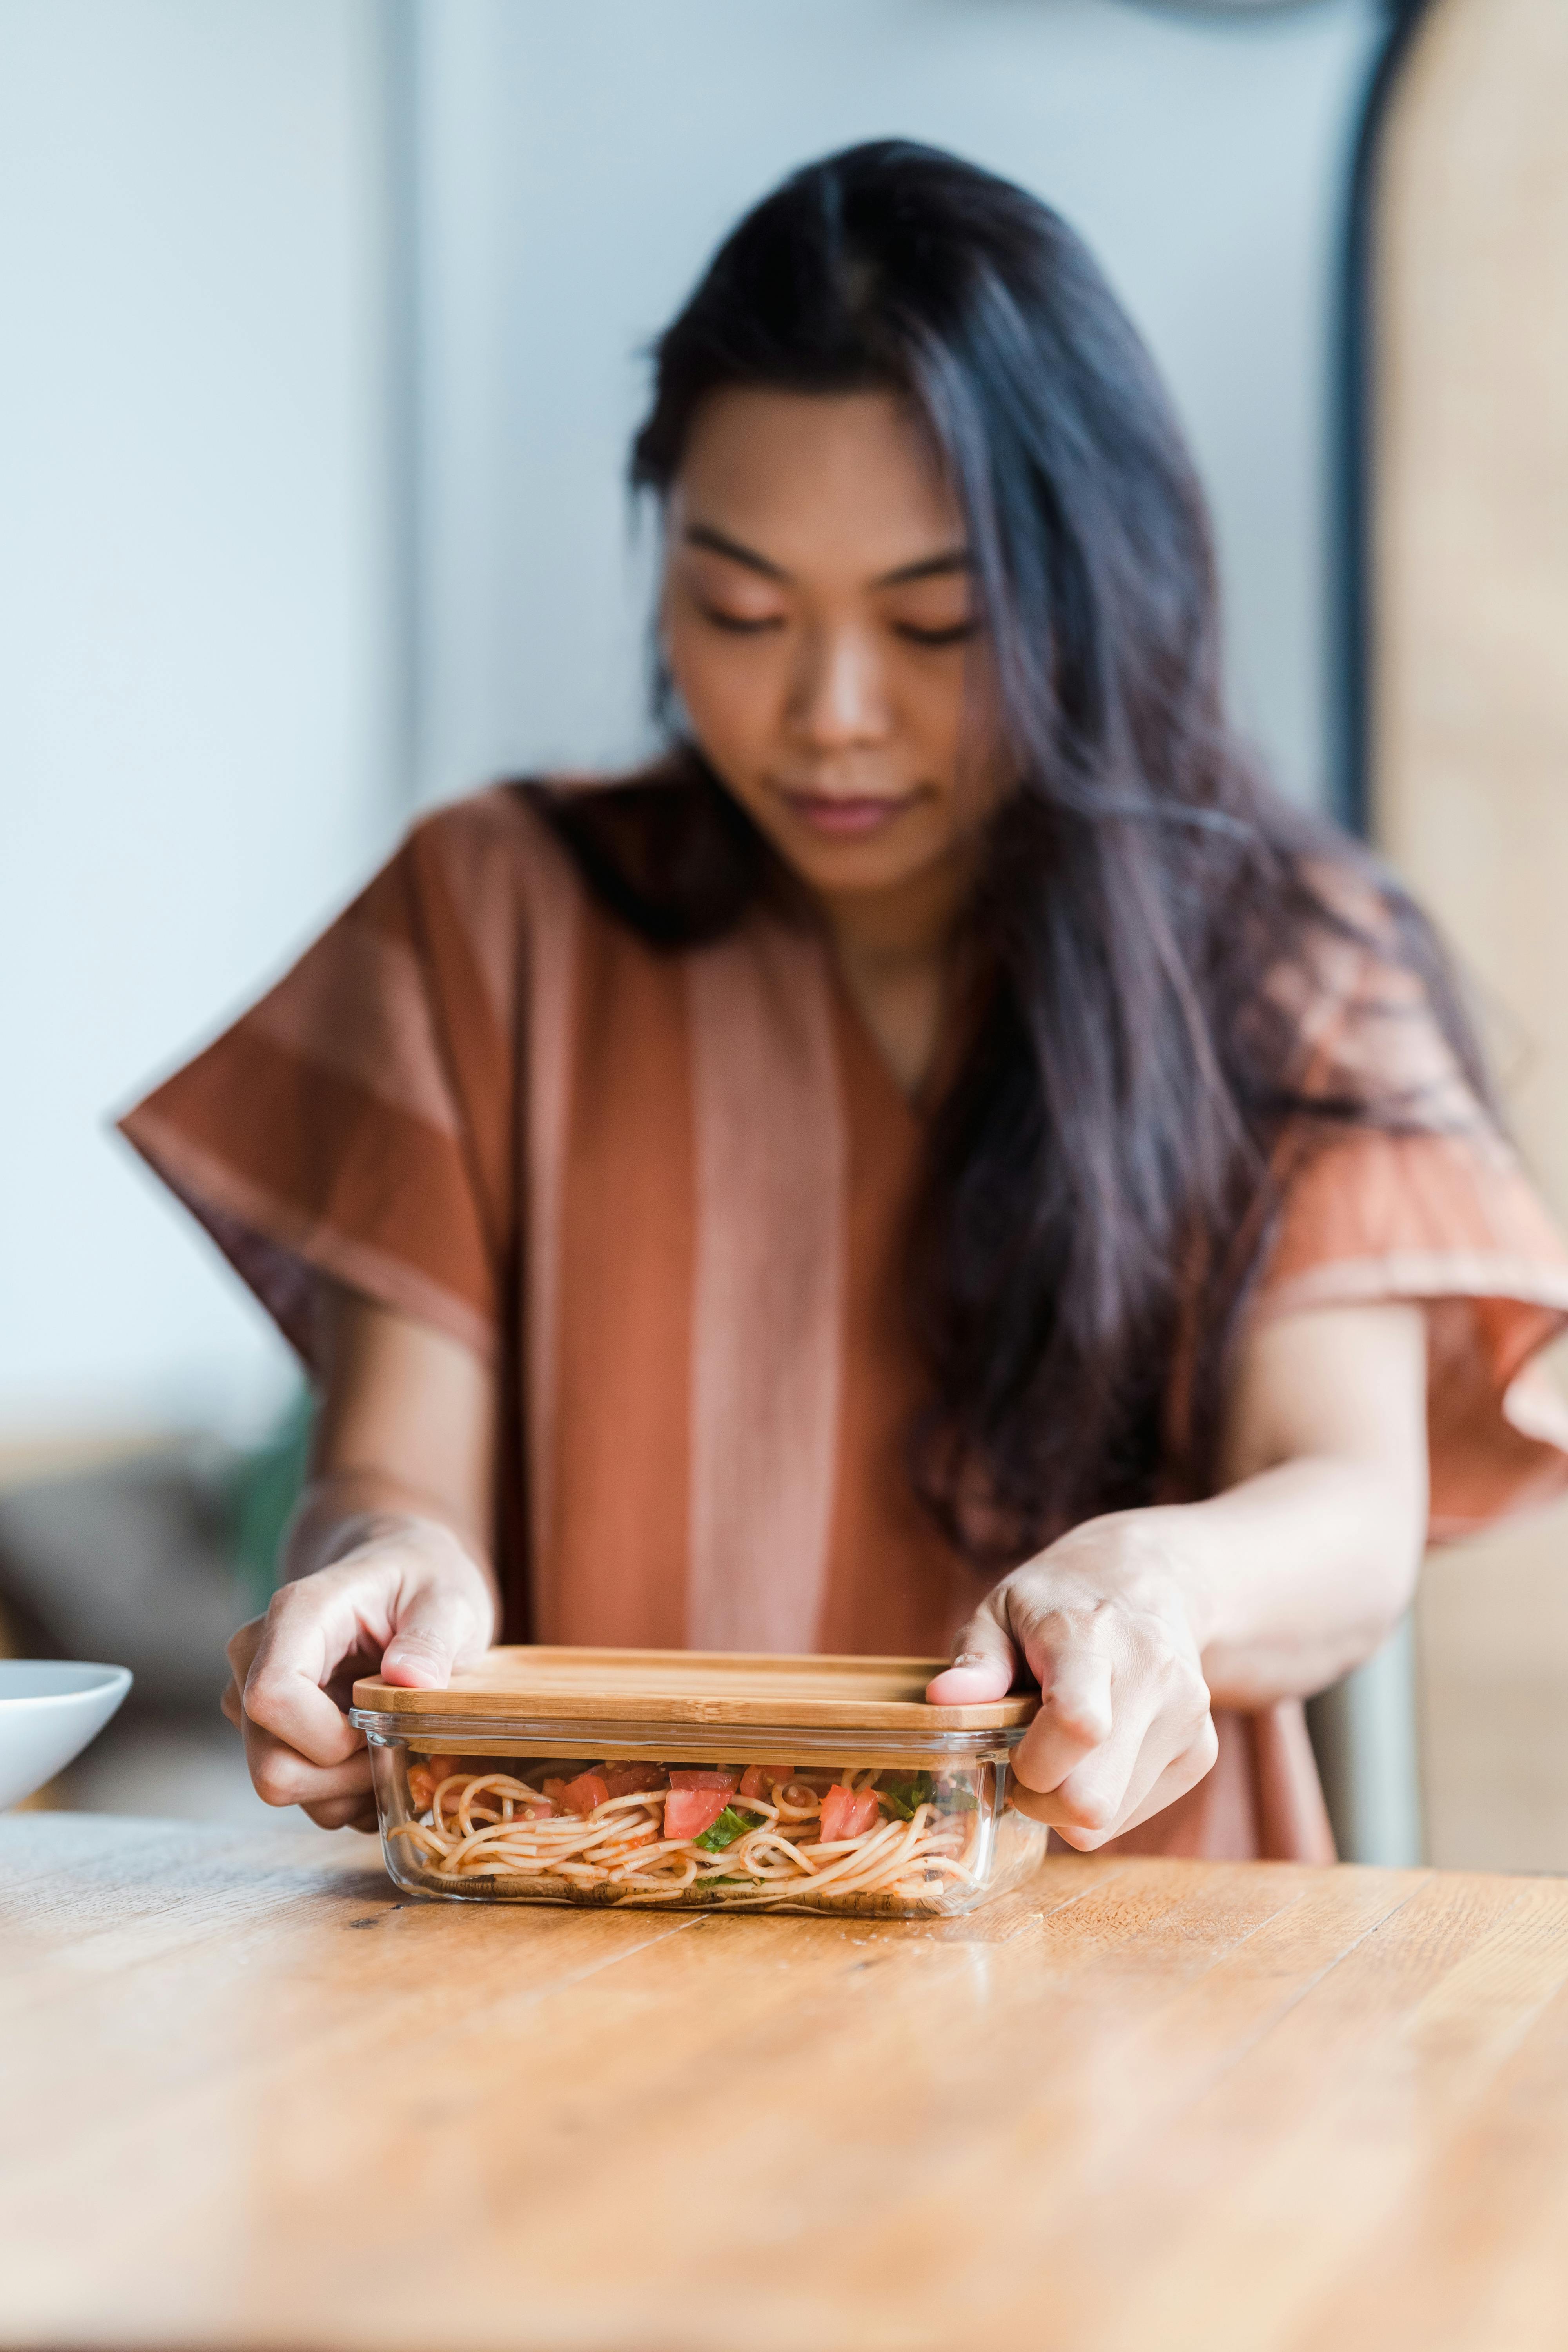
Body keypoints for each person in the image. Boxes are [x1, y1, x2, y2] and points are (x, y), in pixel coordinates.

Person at [122, 140, 1568, 1860]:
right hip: (591, 1928)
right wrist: (385, 1568)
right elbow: (394, 1467)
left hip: (1142, 1970)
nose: (829, 712)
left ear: (1097, 600)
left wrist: (1162, 1582)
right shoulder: (491, 908)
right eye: (740, 609)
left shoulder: (1278, 950)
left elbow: (1346, 1508)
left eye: (937, 625)